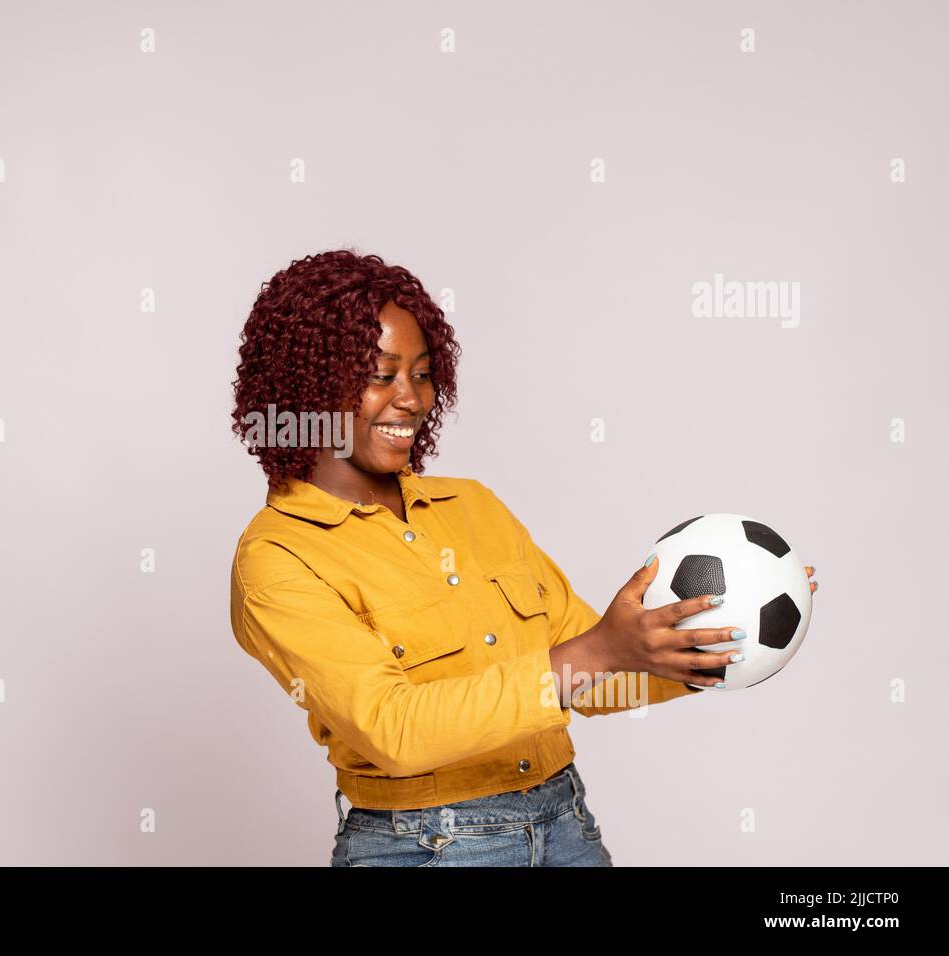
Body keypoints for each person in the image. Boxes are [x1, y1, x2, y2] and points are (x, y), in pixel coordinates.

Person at [227, 249, 818, 866]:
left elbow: (590, 681)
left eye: (423, 374)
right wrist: (597, 650)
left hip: (566, 828)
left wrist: (720, 643)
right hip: (424, 847)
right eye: (380, 375)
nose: (410, 399)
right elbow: (392, 729)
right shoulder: (277, 556)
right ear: (308, 383)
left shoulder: (473, 507)